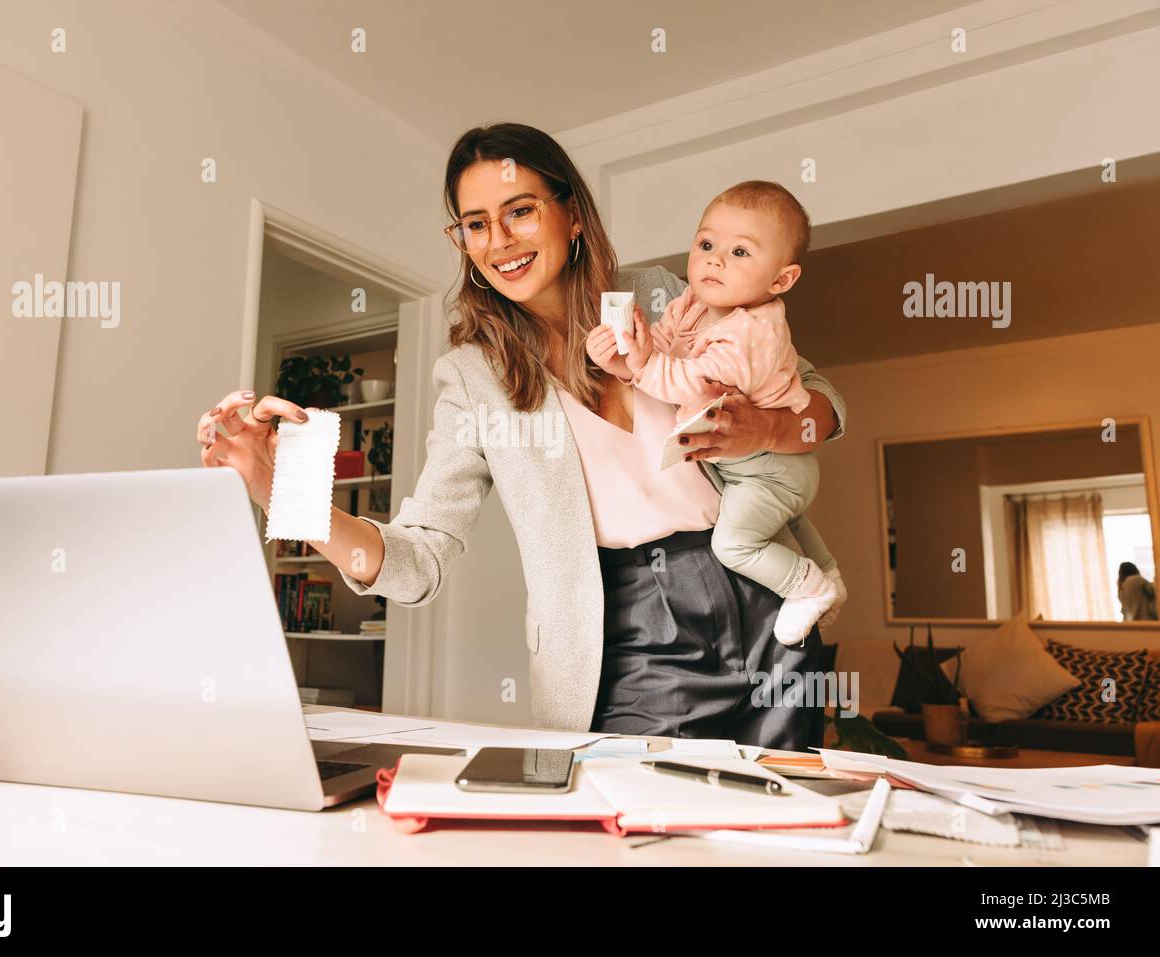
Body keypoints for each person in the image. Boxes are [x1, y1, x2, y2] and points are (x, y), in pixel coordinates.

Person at [196, 123, 847, 748]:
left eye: (520, 211)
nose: (499, 239)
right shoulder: (473, 377)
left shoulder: (659, 294)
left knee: (782, 820)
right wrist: (291, 493)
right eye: (476, 224)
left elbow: (826, 408)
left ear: (572, 213)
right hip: (626, 634)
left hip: (768, 590)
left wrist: (770, 427)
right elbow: (419, 557)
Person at [606, 180, 846, 646]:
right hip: (751, 471)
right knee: (789, 521)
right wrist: (630, 354)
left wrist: (641, 368)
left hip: (771, 469)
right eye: (707, 243)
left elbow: (692, 380)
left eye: (740, 252)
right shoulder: (695, 301)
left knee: (735, 543)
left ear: (780, 281)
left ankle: (809, 588)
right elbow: (662, 345)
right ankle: (831, 575)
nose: (714, 259)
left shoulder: (753, 331)